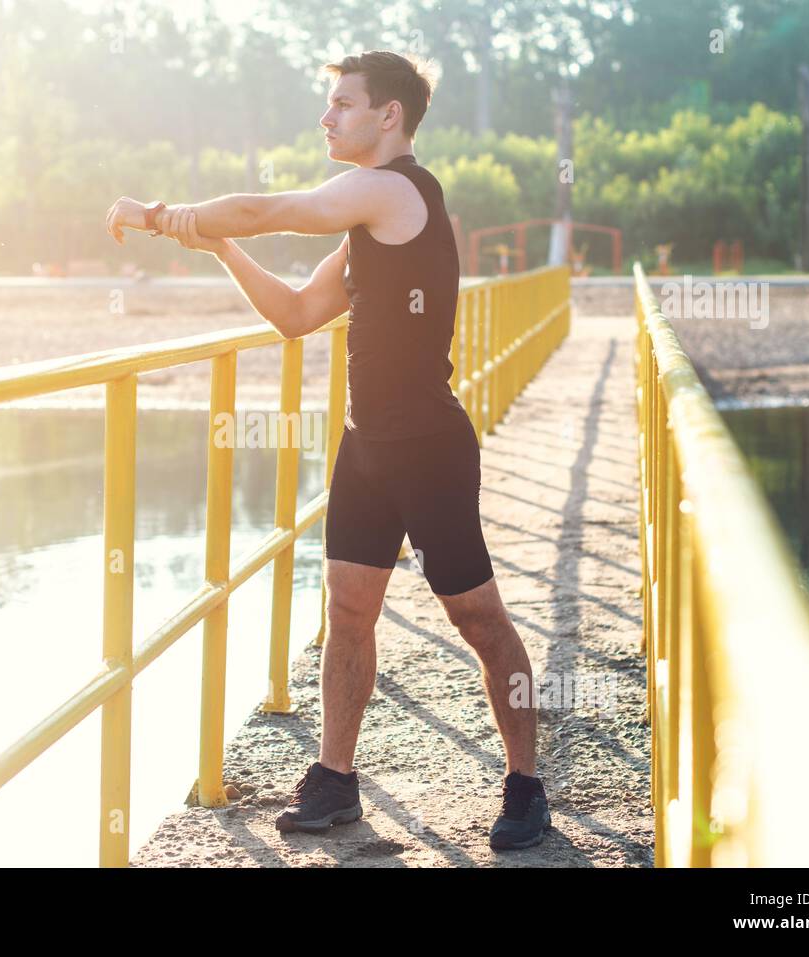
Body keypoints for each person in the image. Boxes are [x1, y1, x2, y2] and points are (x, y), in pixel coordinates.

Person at [105, 50, 551, 851]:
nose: (327, 117)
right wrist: (219, 251)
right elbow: (297, 313)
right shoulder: (366, 225)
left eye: (343, 103)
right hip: (367, 445)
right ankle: (335, 779)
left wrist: (166, 215)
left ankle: (526, 785)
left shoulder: (395, 189)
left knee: (479, 619)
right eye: (328, 103)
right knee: (347, 612)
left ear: (389, 118)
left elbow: (268, 208)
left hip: (430, 448)